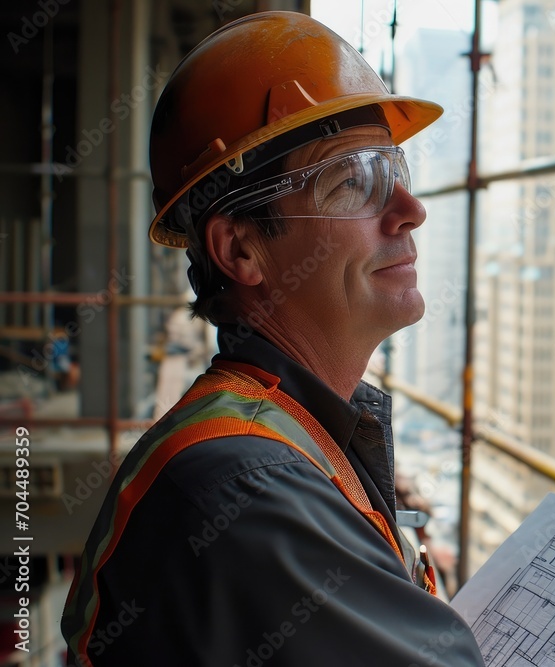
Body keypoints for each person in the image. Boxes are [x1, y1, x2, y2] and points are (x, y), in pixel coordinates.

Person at [60, 11, 485, 666]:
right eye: (355, 180)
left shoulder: (294, 437)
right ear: (241, 248)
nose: (409, 209)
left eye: (394, 169)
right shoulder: (246, 488)